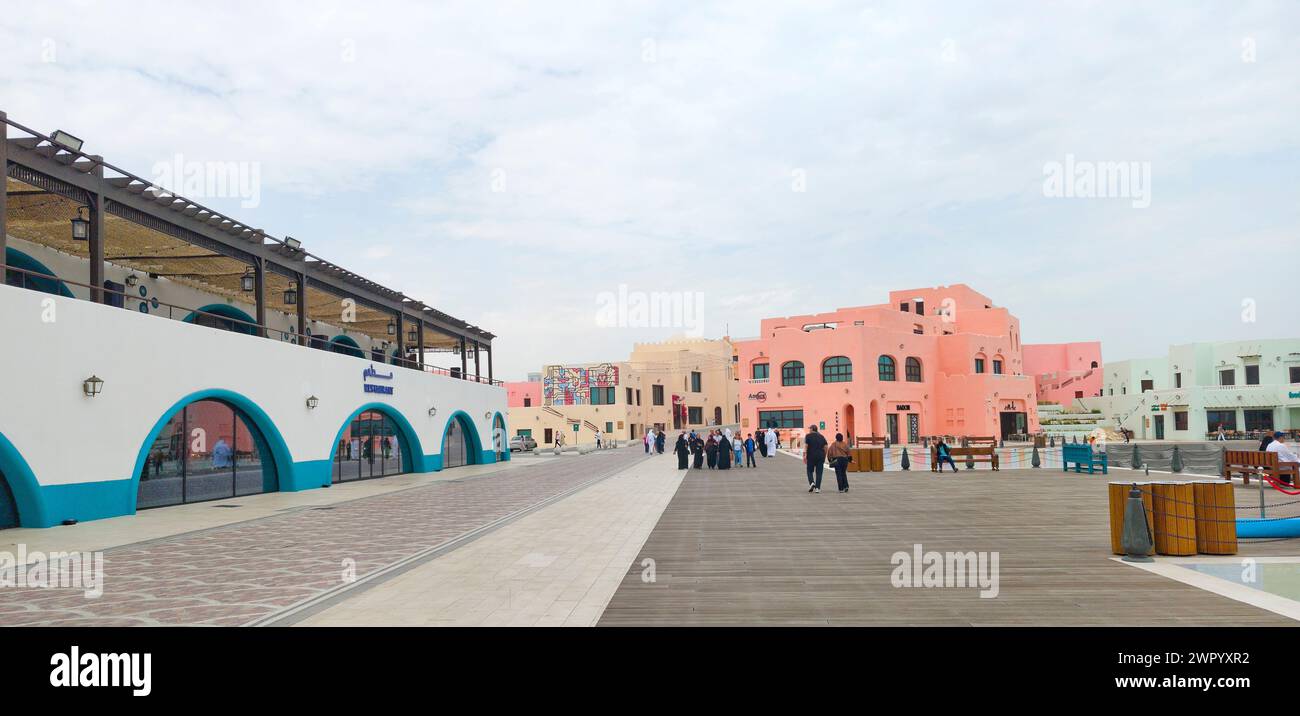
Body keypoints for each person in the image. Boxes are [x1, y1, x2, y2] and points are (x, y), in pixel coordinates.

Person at [803, 425, 827, 493]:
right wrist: (824, 455)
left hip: (811, 456)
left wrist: (804, 455)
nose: (809, 430)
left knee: (809, 471)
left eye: (809, 428)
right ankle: (818, 488)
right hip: (820, 456)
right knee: (819, 472)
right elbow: (826, 446)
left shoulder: (808, 436)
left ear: (812, 429)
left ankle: (812, 483)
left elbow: (806, 446)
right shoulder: (821, 436)